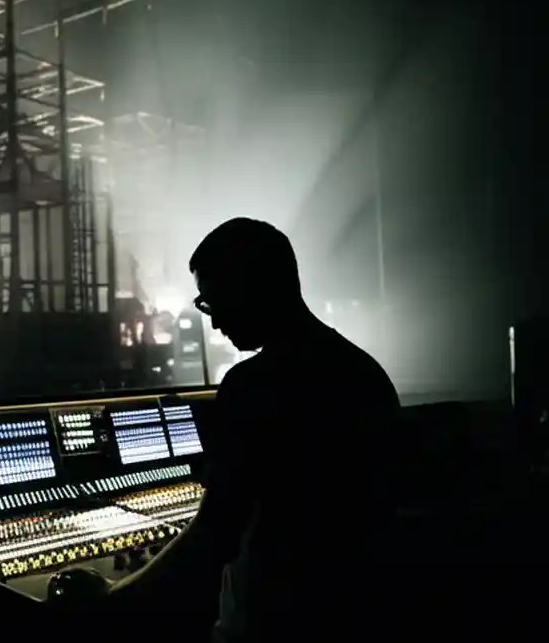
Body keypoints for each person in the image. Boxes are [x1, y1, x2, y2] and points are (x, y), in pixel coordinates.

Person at [110, 218, 401, 642]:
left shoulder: (253, 384)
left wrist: (113, 597)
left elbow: (215, 535)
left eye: (212, 301)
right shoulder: (365, 372)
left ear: (249, 285)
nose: (212, 323)